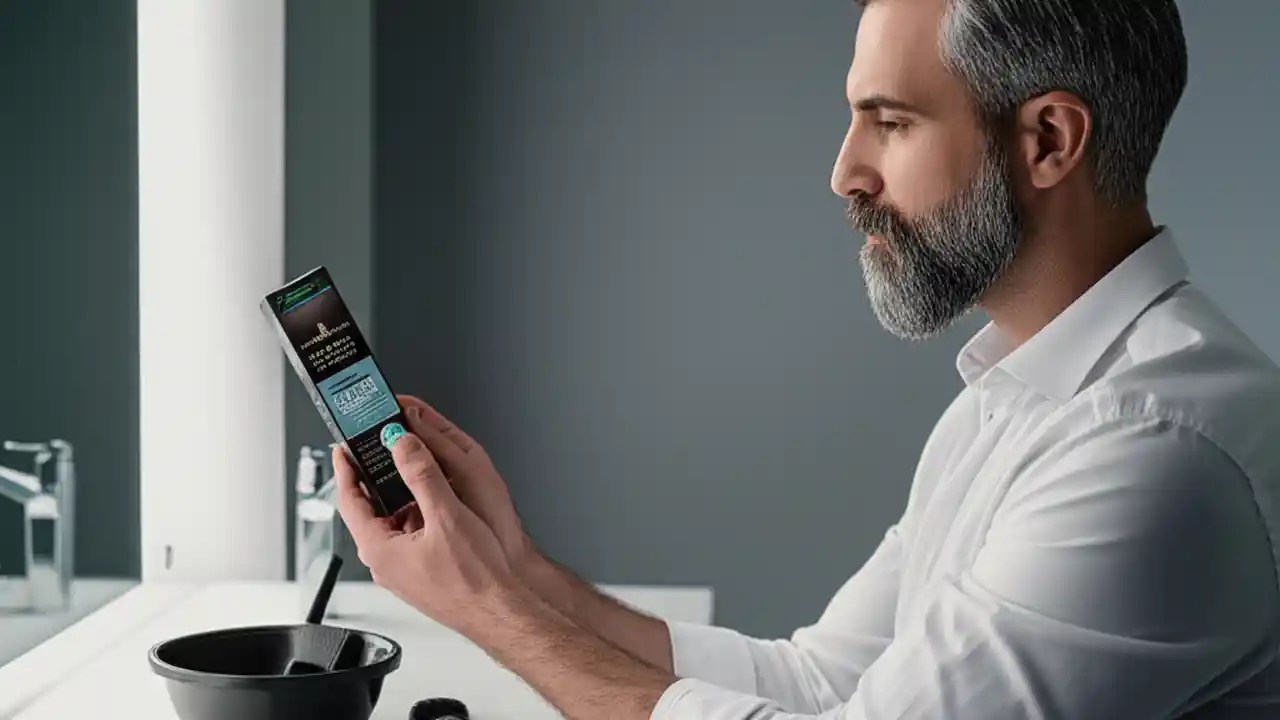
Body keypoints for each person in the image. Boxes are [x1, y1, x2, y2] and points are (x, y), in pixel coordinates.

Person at [334, 0, 1280, 717]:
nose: (845, 171)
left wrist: (490, 612)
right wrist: (518, 573)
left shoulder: (1153, 455)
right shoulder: (1021, 397)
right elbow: (821, 680)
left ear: (1048, 142)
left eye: (893, 121)